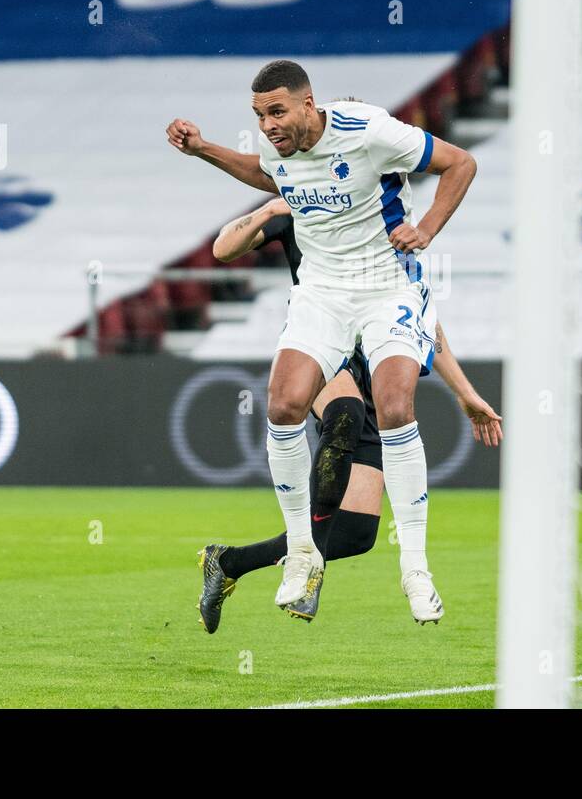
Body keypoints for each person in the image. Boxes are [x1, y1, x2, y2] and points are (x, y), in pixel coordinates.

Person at [166, 60, 477, 623]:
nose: (267, 125)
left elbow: (461, 162)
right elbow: (266, 176)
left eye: (277, 111)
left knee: (392, 413)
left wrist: (427, 227)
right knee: (283, 404)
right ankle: (301, 555)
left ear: (311, 103)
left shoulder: (369, 132)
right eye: (259, 115)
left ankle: (415, 568)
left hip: (386, 287)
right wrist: (204, 149)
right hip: (323, 294)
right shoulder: (281, 158)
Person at [195, 196, 502, 631]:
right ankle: (308, 568)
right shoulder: (306, 200)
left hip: (377, 362)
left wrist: (466, 394)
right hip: (318, 347)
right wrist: (269, 209)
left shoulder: (390, 222)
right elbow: (223, 249)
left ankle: (227, 562)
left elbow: (423, 319)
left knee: (356, 533)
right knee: (345, 411)